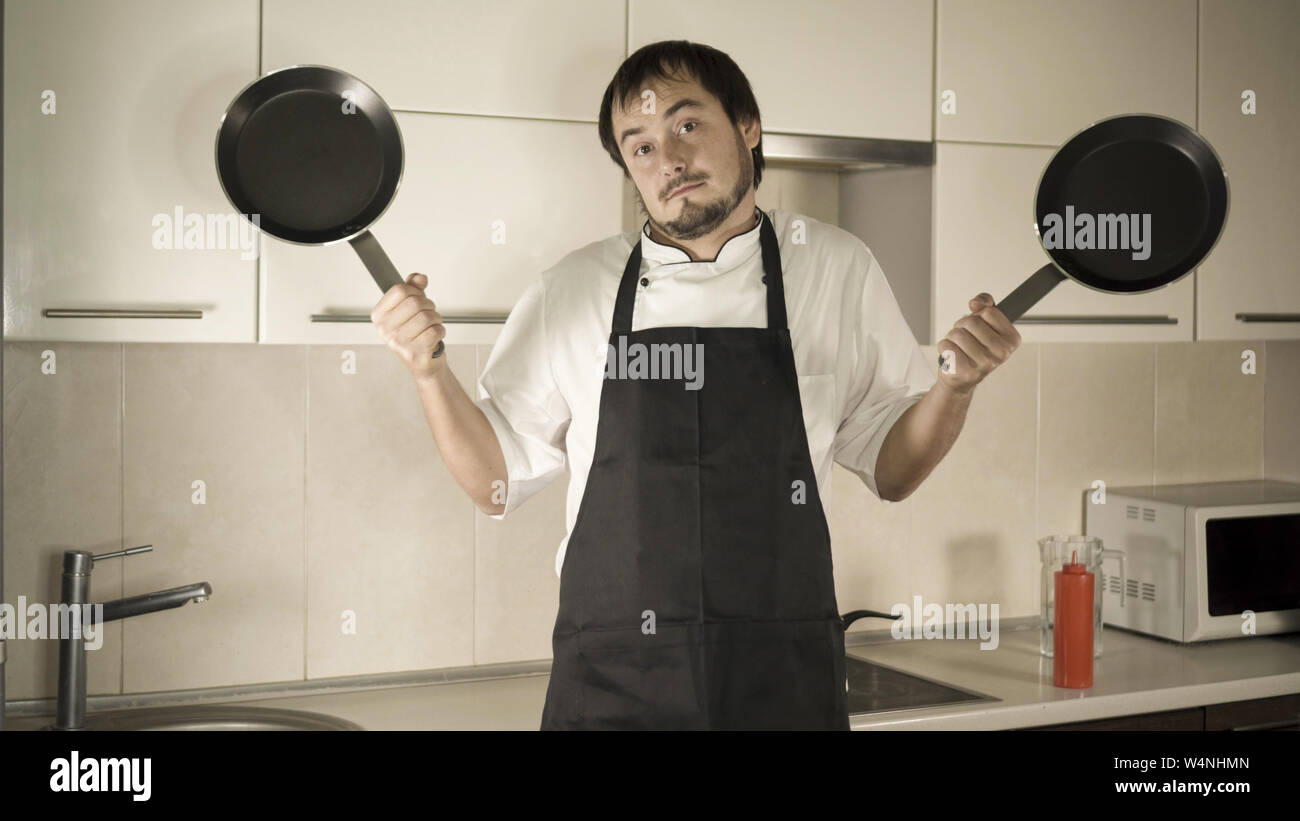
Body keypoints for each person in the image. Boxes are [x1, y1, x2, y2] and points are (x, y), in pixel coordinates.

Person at [371, 41, 1020, 730]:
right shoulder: (574, 290)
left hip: (784, 691)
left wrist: (956, 390)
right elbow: (494, 479)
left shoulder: (835, 270)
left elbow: (893, 470)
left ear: (747, 125)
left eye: (686, 125)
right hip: (616, 691)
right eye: (641, 146)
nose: (669, 161)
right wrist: (429, 372)